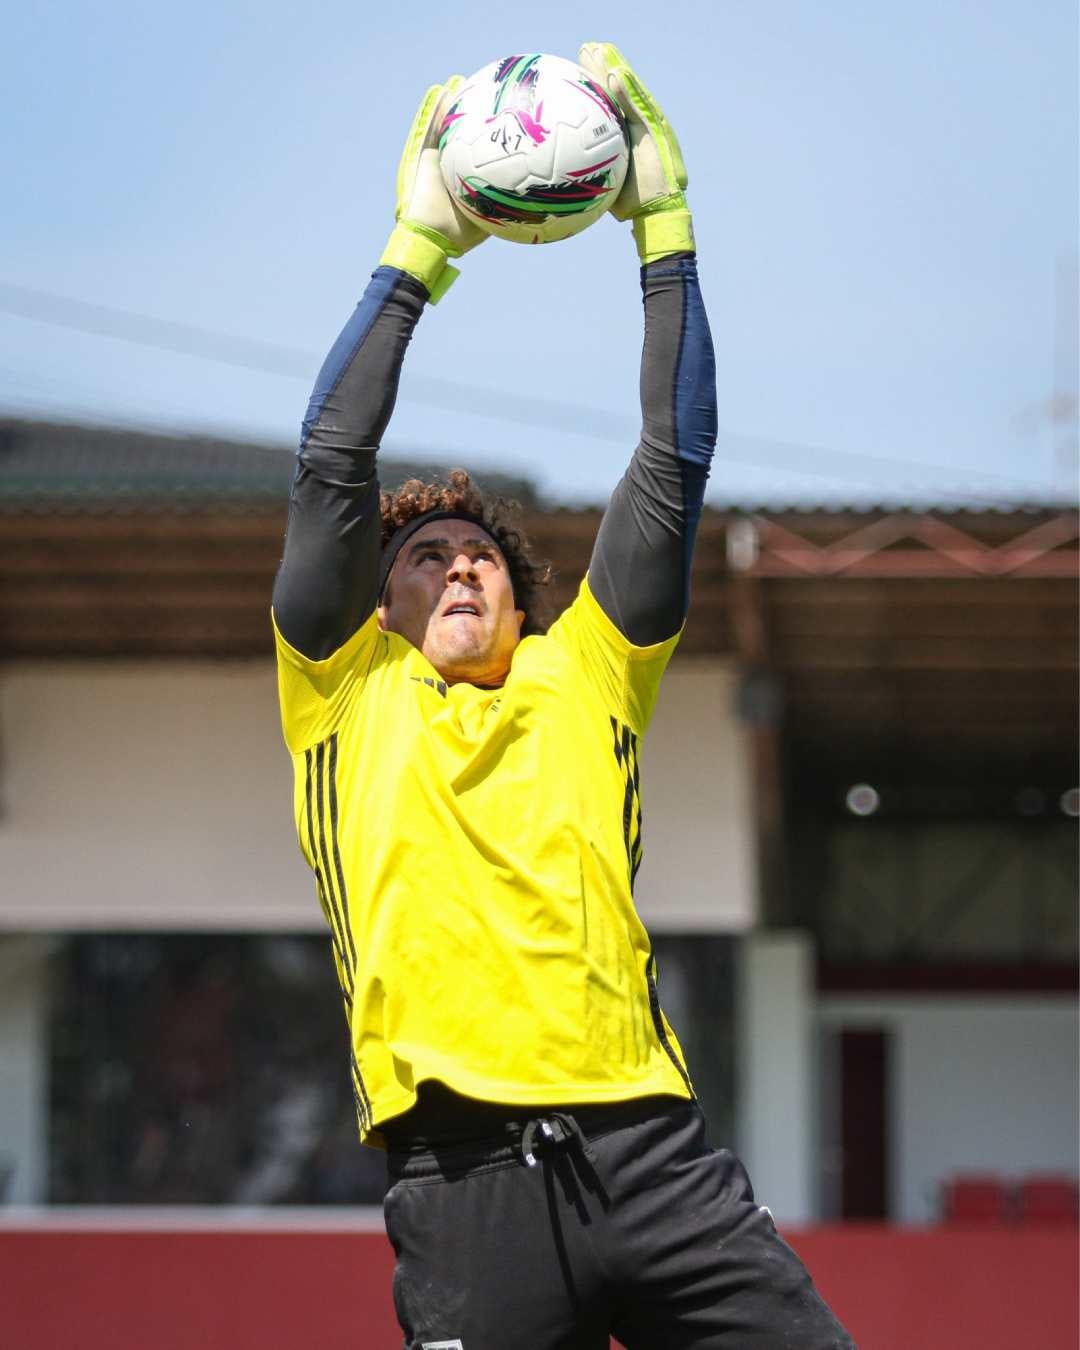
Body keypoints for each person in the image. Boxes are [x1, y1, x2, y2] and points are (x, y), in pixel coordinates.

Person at [273, 41, 854, 1350]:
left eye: (479, 551)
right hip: (463, 1178)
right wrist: (416, 253)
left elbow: (674, 457)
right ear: (377, 608)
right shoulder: (340, 692)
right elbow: (329, 463)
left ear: (525, 599)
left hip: (650, 1150)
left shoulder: (586, 670)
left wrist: (667, 231)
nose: (457, 560)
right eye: (422, 555)